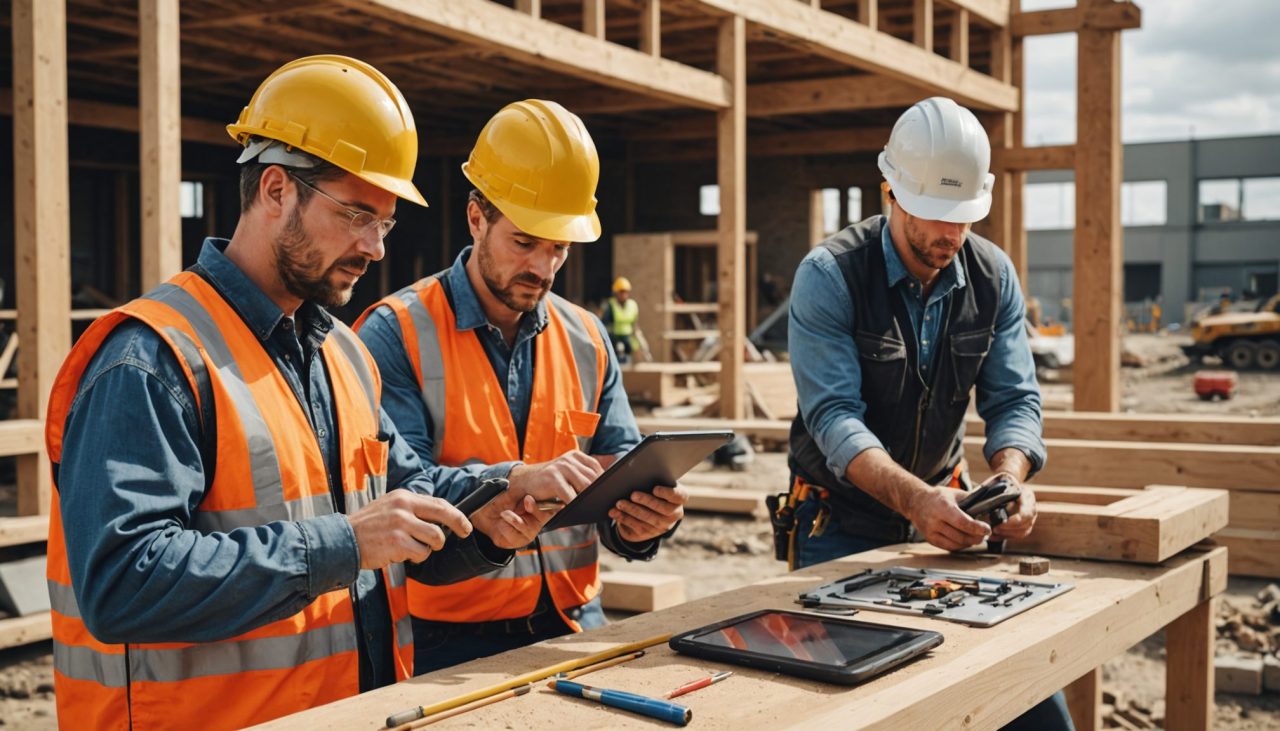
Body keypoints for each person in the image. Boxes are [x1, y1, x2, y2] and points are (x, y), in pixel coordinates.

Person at [44, 56, 557, 730]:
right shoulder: (152, 359)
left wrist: (490, 507)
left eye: (386, 223)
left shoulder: (342, 353)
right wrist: (342, 543)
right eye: (356, 216)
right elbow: (123, 580)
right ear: (277, 189)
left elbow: (401, 496)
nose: (375, 247)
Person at [357, 100, 688, 675]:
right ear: (476, 218)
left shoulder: (587, 336)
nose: (544, 266)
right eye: (525, 242)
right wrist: (510, 480)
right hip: (445, 637)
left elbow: (618, 470)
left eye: (559, 247)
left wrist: (640, 523)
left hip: (574, 621)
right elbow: (400, 492)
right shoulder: (395, 333)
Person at [779, 97, 1069, 730]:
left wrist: (1011, 479)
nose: (951, 235)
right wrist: (913, 500)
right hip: (840, 522)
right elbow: (834, 420)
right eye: (936, 214)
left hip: (951, 517)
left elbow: (1015, 400)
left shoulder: (992, 277)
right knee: (859, 709)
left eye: (963, 217)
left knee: (1022, 698)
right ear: (891, 191)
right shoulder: (830, 276)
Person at [601, 276, 640, 364]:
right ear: (616, 293)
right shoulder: (610, 306)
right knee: (617, 362)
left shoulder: (632, 305)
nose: (623, 294)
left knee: (628, 362)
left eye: (625, 292)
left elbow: (635, 325)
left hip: (628, 339)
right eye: (621, 292)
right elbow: (604, 324)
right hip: (614, 339)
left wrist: (636, 344)